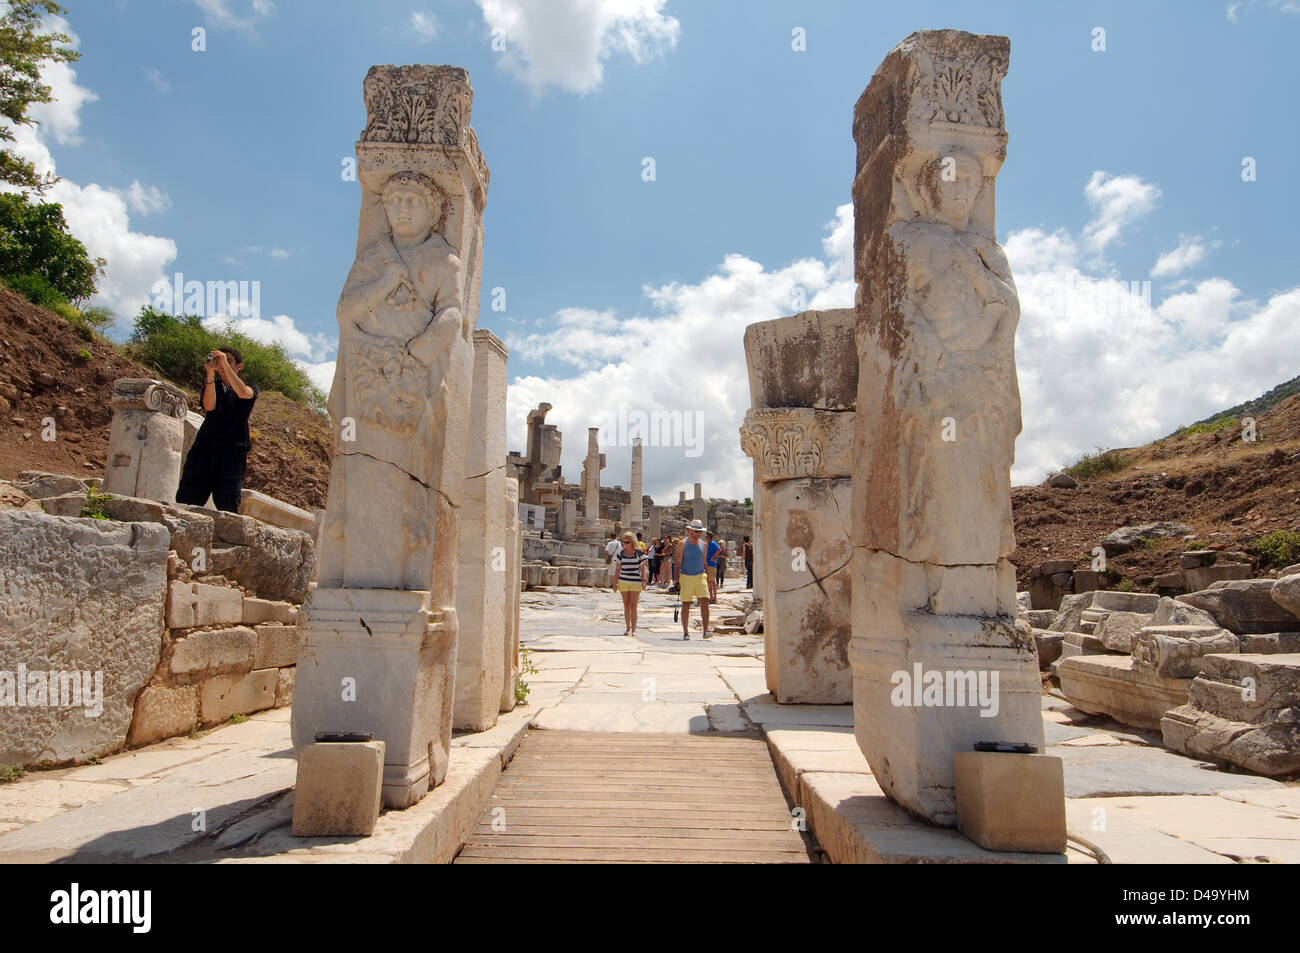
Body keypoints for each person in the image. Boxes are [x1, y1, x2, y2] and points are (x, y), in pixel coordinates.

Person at [176, 347, 259, 512]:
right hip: (204, 449)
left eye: (229, 361)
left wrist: (224, 365)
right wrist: (209, 374)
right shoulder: (212, 385)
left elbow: (243, 393)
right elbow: (209, 406)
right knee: (187, 499)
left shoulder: (250, 387)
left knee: (227, 504)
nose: (222, 364)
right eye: (220, 361)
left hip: (232, 453)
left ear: (239, 366)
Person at [674, 520, 711, 639]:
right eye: (696, 531)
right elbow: (678, 560)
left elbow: (704, 561)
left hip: (700, 576)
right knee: (686, 604)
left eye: (700, 531)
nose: (698, 533)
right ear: (690, 530)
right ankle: (685, 632)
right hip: (686, 576)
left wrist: (708, 576)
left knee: (705, 602)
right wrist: (676, 578)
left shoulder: (704, 545)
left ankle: (706, 630)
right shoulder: (682, 543)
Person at [611, 531, 648, 637]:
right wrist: (615, 583)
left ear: (632, 542)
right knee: (626, 606)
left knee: (634, 606)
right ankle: (627, 628)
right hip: (624, 581)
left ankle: (634, 629)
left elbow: (642, 568)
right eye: (623, 542)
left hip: (635, 581)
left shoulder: (639, 553)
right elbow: (617, 569)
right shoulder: (621, 553)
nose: (624, 544)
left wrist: (644, 581)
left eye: (627, 542)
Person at [705, 530, 721, 602]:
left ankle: (715, 596)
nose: (705, 536)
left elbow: (719, 550)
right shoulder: (708, 544)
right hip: (707, 564)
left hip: (711, 564)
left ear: (708, 537)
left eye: (706, 535)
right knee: (708, 581)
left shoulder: (713, 543)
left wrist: (713, 557)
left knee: (712, 581)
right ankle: (711, 596)